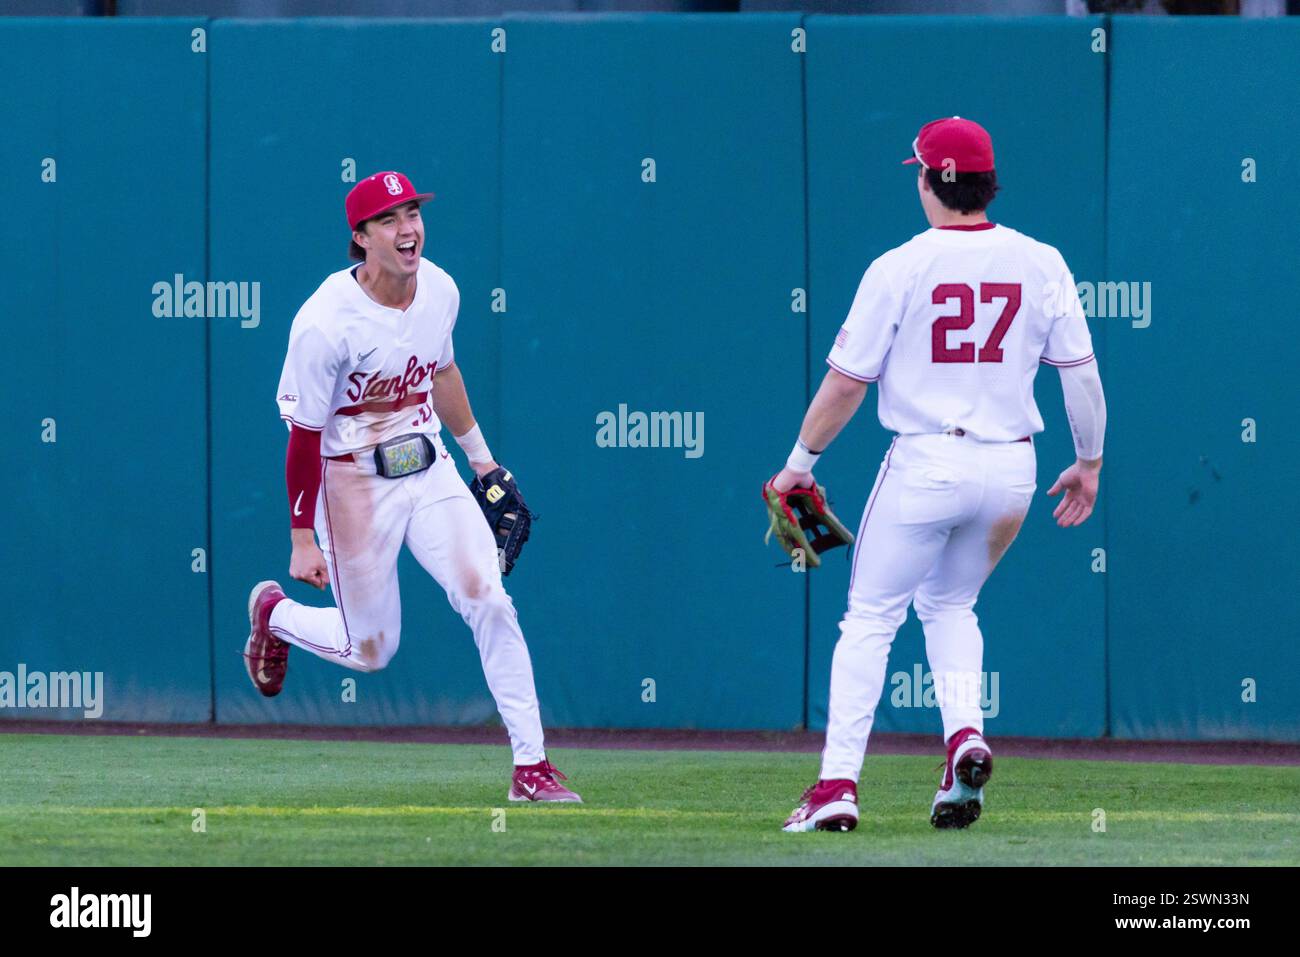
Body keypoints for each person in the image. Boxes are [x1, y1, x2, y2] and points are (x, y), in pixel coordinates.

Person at [774, 118, 1106, 832]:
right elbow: (1081, 377)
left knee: (869, 617)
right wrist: (1088, 462)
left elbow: (845, 385)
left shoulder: (900, 265)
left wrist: (798, 465)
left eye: (918, 171)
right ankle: (965, 737)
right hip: (1014, 465)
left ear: (931, 180)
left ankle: (836, 785)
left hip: (929, 459)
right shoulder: (1041, 259)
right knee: (950, 606)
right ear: (987, 183)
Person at [243, 170, 580, 804]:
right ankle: (275, 615)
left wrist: (483, 463)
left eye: (414, 214)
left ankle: (531, 768)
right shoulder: (323, 322)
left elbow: (443, 373)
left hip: (428, 469)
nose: (409, 229)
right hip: (349, 486)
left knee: (488, 597)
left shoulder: (441, 290)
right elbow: (304, 437)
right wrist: (299, 538)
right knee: (371, 650)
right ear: (361, 237)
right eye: (391, 220)